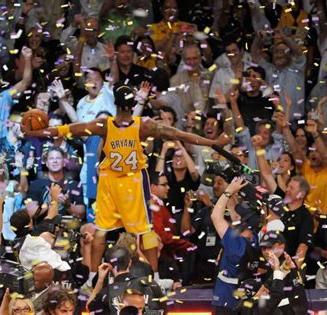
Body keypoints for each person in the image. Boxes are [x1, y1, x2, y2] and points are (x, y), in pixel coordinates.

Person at [22, 81, 230, 278]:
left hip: (109, 183)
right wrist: (212, 142)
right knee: (146, 231)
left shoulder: (104, 124)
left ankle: (93, 277)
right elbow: (180, 135)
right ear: (133, 103)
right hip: (132, 183)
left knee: (101, 231)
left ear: (115, 103)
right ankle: (155, 277)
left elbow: (66, 129)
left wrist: (34, 131)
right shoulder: (145, 125)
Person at [210, 177, 262, 314]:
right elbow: (234, 212)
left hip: (225, 303)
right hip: (243, 303)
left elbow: (215, 217)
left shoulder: (237, 245)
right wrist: (233, 189)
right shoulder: (256, 238)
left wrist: (227, 192)